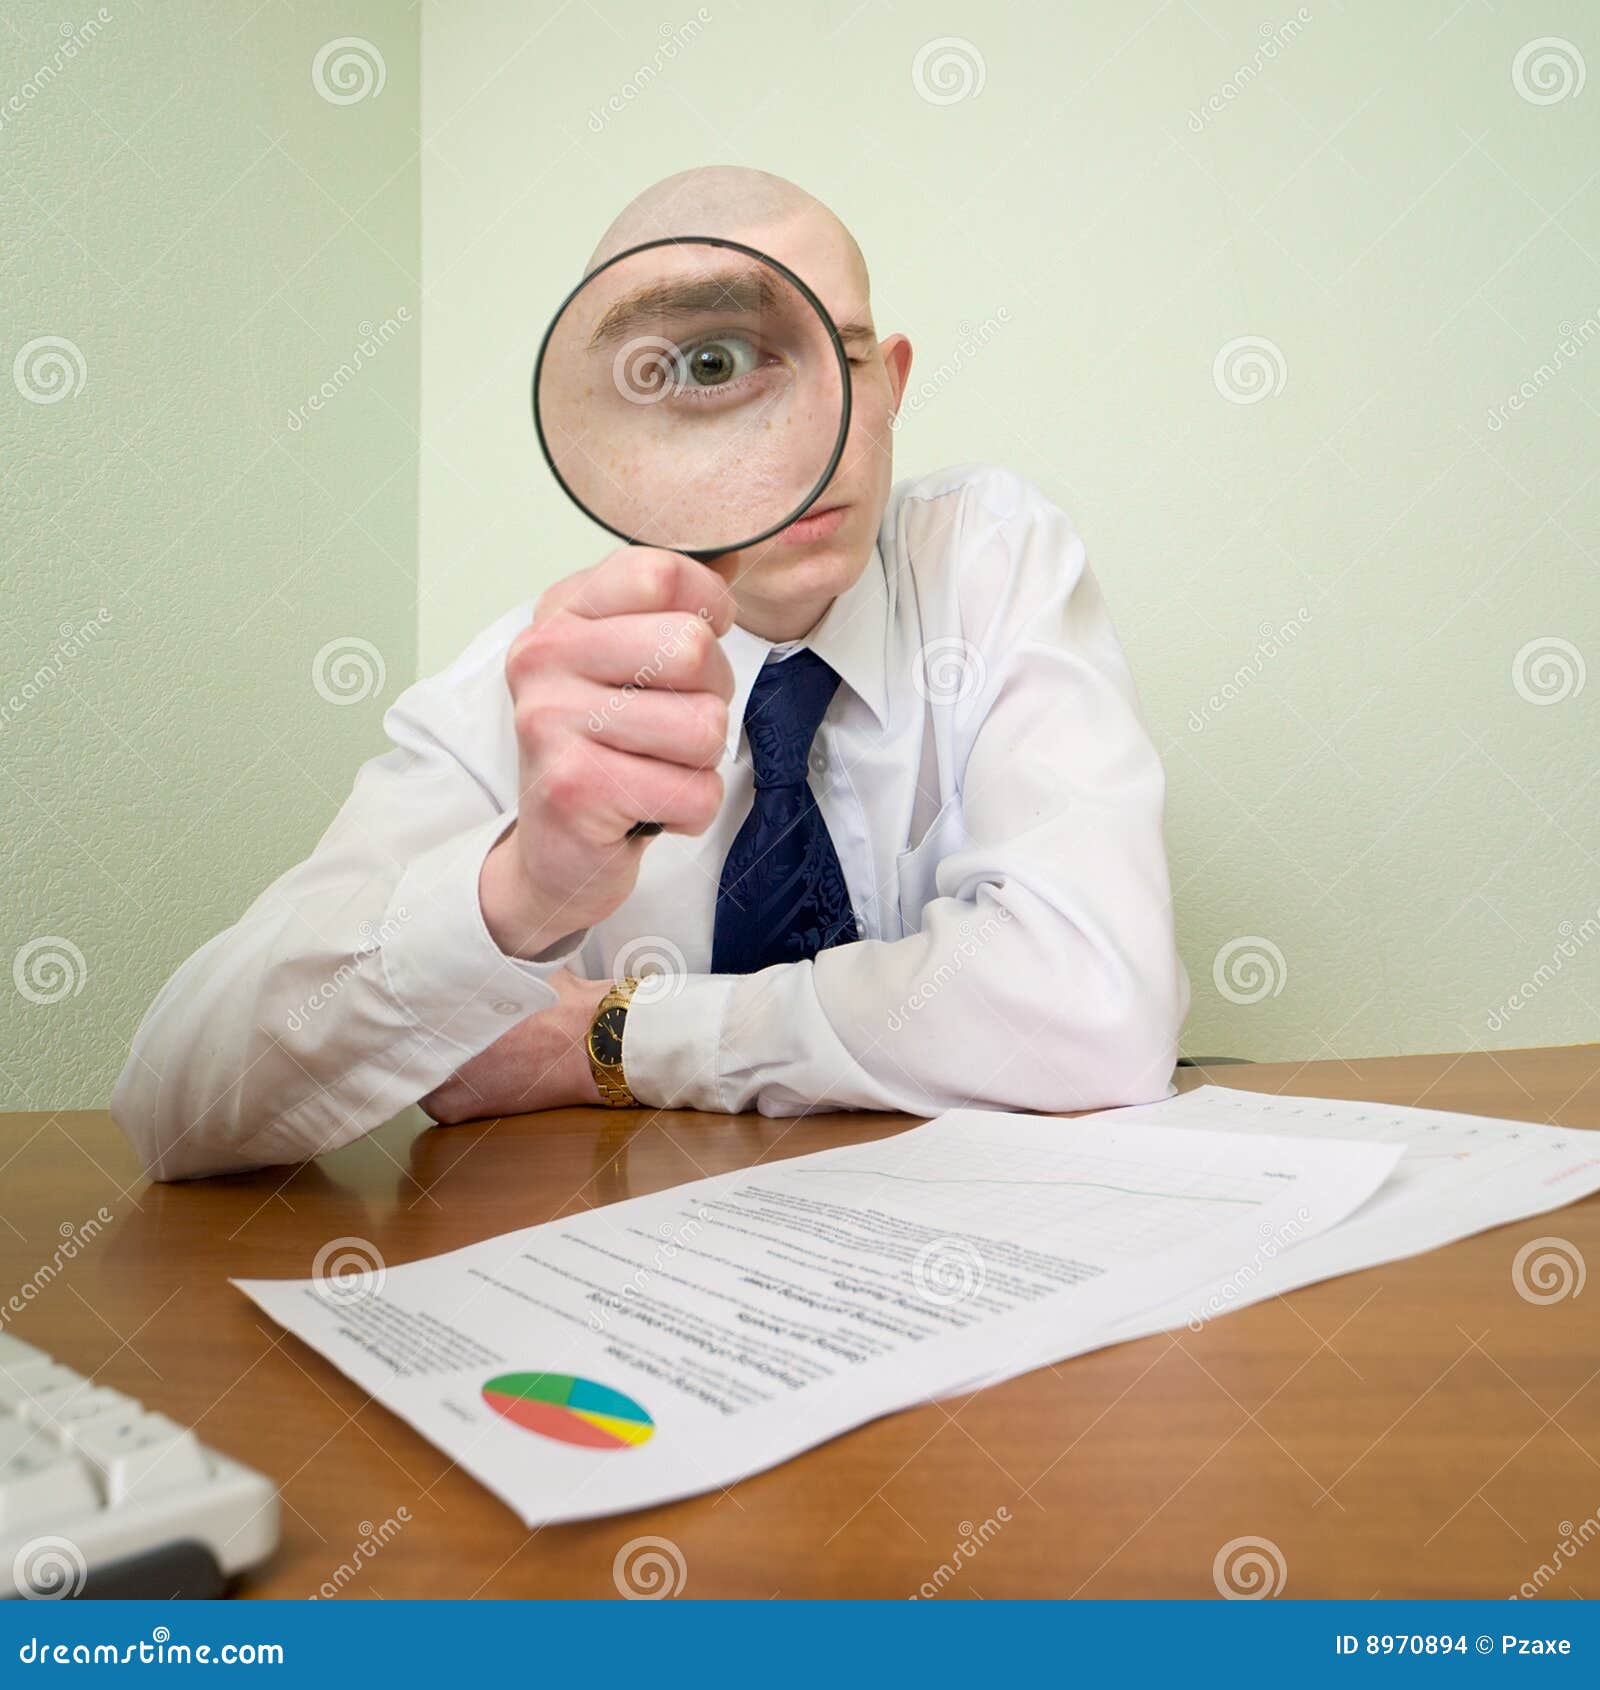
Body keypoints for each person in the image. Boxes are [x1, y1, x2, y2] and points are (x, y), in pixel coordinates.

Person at [112, 166, 1190, 1181]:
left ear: (892, 385)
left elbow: (1093, 1007)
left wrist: (612, 1037)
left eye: (842, 359)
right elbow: (178, 1106)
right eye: (715, 365)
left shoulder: (986, 561)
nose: (810, 429)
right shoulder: (526, 691)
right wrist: (516, 891)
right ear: (616, 433)